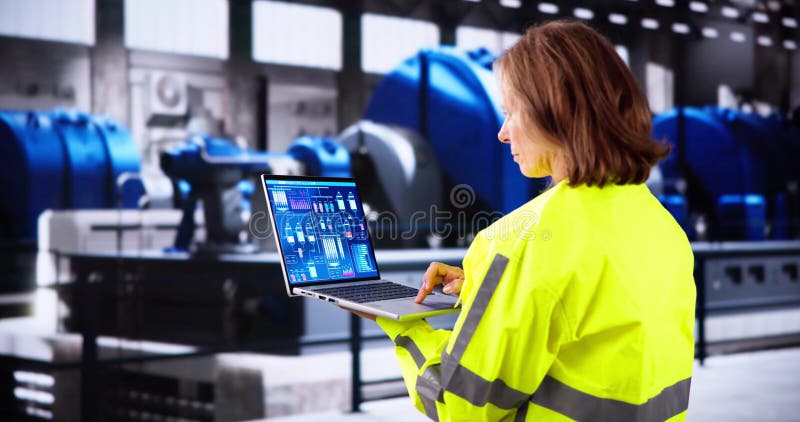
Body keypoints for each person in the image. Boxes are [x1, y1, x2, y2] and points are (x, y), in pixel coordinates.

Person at [350, 20, 696, 421]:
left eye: (511, 112)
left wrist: (402, 325)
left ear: (554, 111)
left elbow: (459, 406)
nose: (502, 133)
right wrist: (493, 290)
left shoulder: (522, 240)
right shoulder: (663, 227)